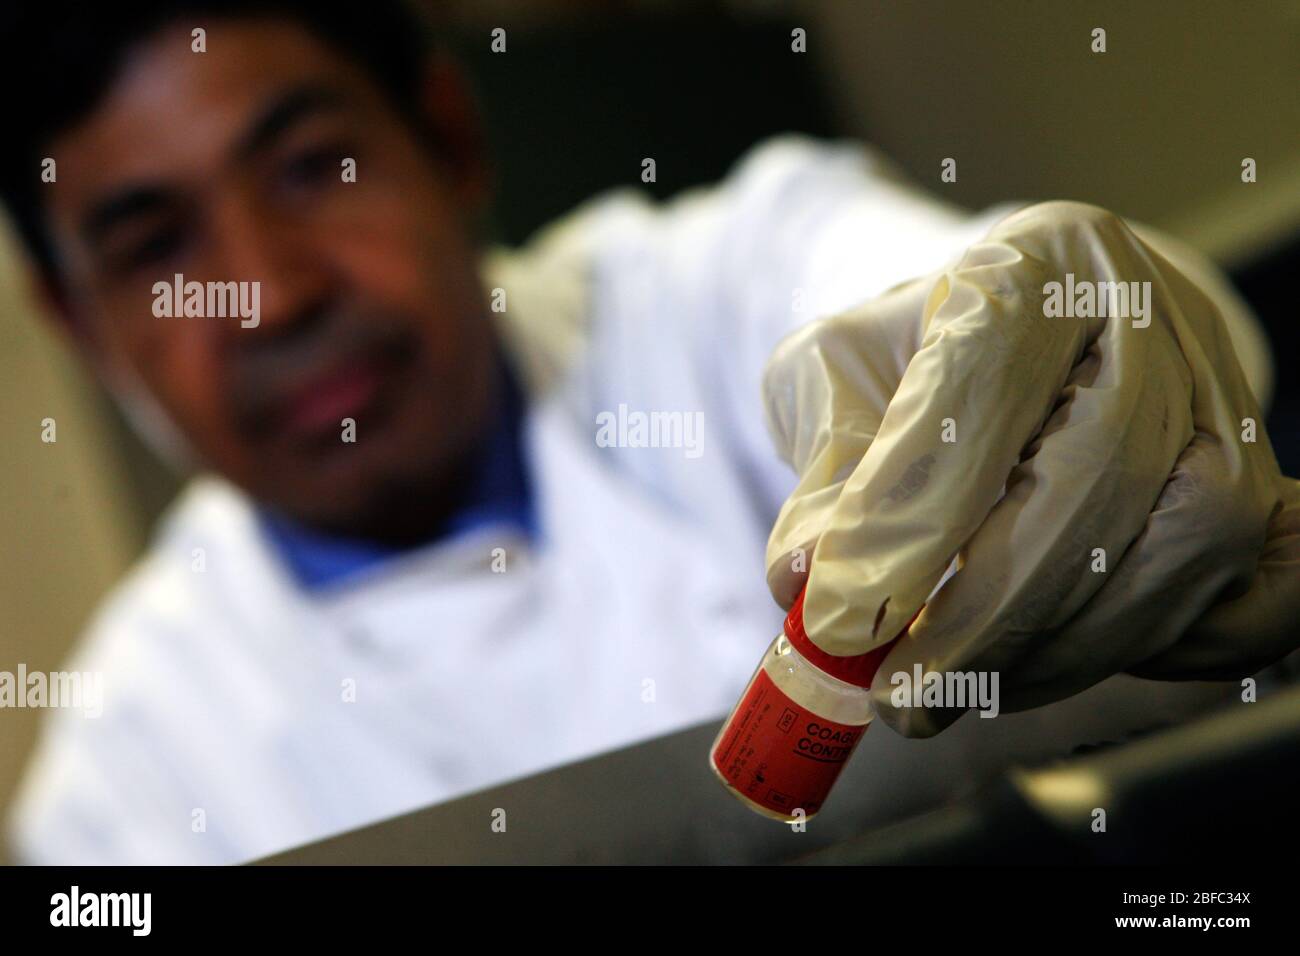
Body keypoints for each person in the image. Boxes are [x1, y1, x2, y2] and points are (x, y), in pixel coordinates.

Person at [3, 1, 1296, 864]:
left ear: (448, 143)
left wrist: (1102, 336)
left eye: (313, 170)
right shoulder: (119, 798)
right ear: (78, 323)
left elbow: (957, 305)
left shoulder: (723, 290)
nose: (272, 293)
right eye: (156, 247)